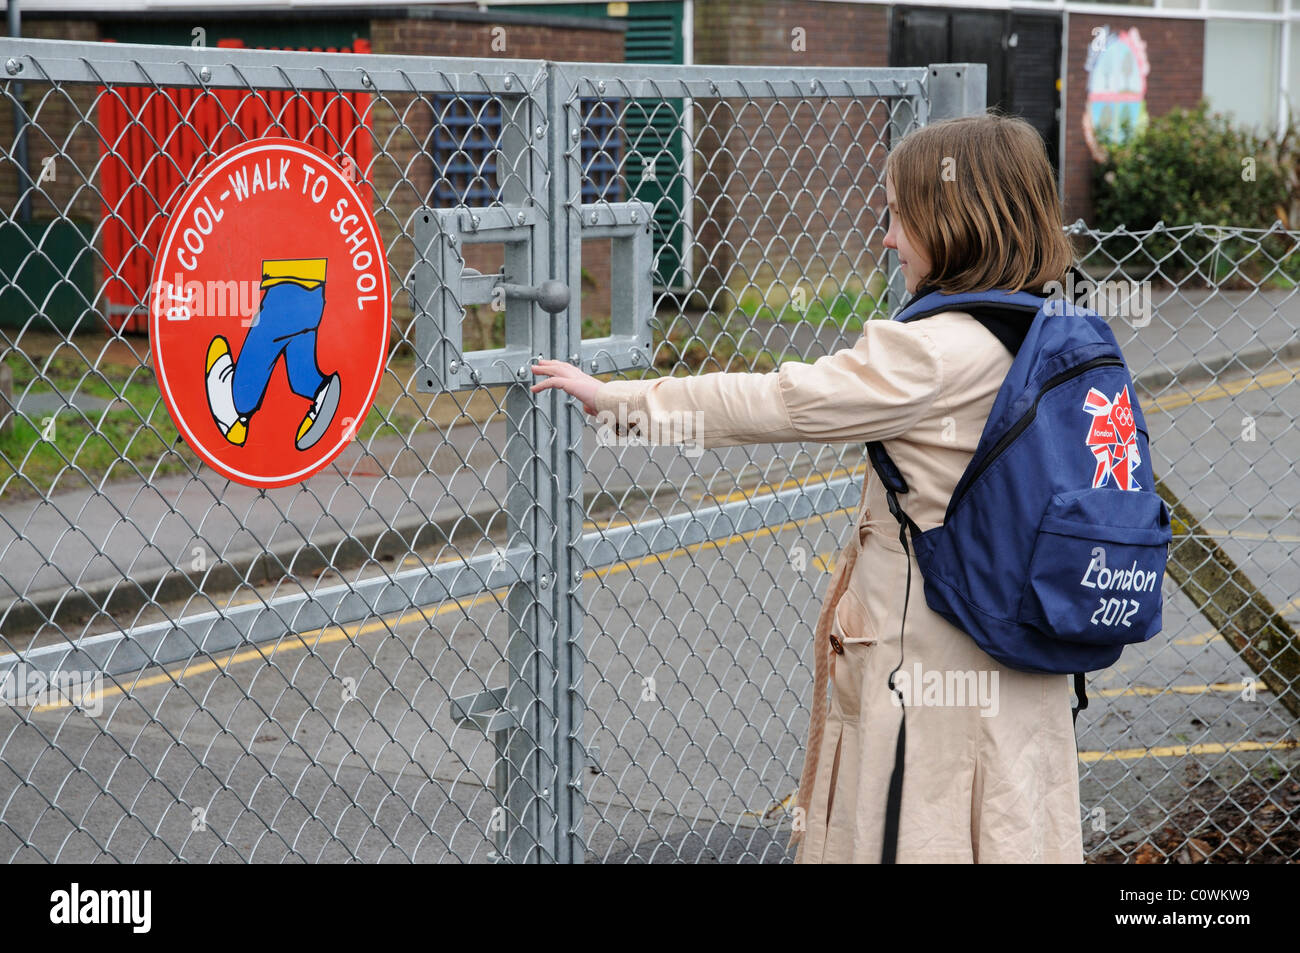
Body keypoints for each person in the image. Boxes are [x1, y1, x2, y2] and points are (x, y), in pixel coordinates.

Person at [530, 113, 1085, 863]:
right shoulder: (1055, 333)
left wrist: (621, 405)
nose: (888, 236)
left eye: (896, 212)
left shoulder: (931, 352)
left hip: (925, 678)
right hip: (1028, 655)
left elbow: (780, 401)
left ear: (952, 218)